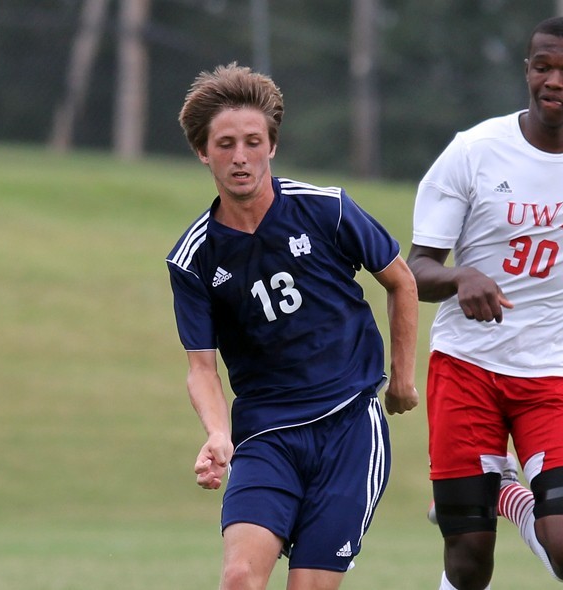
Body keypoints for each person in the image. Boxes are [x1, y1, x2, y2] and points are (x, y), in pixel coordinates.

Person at [408, 16, 563, 590]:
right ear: (526, 70)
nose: (554, 80)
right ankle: (488, 504)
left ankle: (511, 497)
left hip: (553, 372)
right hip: (466, 365)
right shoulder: (473, 152)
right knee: (468, 562)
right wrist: (460, 278)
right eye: (542, 66)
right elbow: (415, 271)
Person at [165, 62, 419, 590]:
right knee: (239, 577)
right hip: (266, 435)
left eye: (253, 141)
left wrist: (401, 378)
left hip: (349, 427)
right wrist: (217, 433)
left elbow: (402, 281)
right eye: (226, 144)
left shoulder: (327, 210)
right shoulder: (194, 258)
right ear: (202, 152)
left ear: (272, 145)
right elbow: (201, 368)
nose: (241, 157)